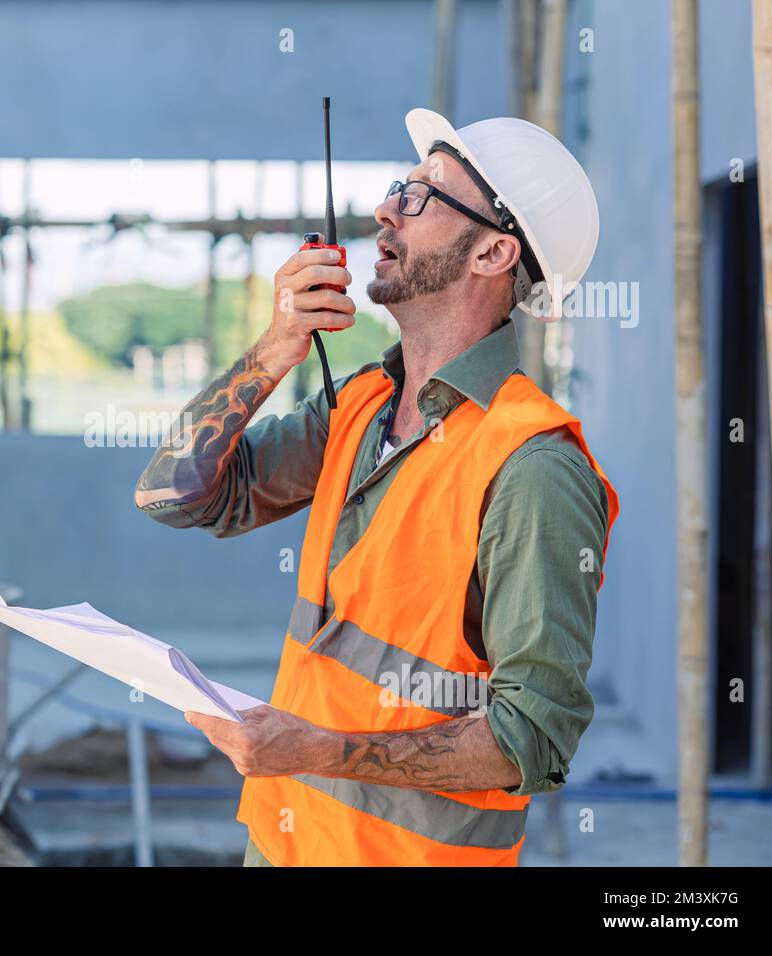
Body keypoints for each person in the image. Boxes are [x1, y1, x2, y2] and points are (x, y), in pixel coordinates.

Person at [133, 108, 620, 866]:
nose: (384, 208)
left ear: (493, 250)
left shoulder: (532, 466)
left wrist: (322, 750)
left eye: (423, 194)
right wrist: (275, 348)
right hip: (284, 845)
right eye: (400, 184)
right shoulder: (359, 405)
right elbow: (174, 495)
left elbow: (533, 738)